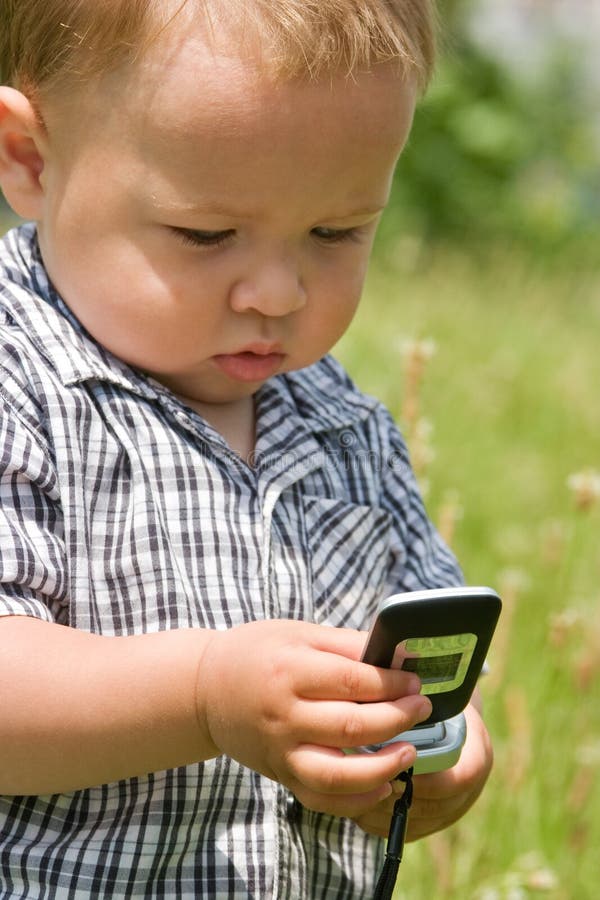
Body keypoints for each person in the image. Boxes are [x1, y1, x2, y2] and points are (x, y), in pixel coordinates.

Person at [0, 1, 493, 896]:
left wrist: (440, 750)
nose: (275, 292)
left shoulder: (344, 423)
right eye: (205, 233)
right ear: (29, 159)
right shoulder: (16, 380)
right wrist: (204, 696)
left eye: (335, 232)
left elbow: (427, 658)